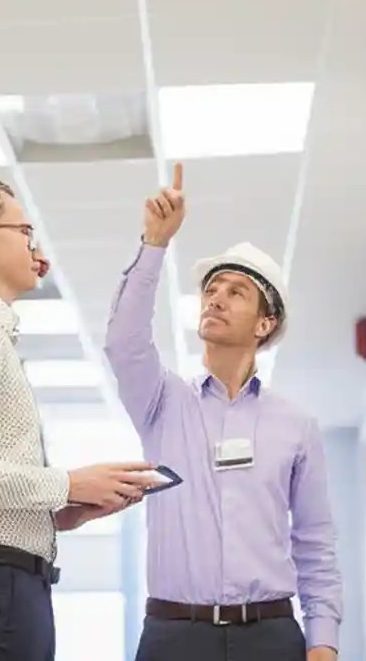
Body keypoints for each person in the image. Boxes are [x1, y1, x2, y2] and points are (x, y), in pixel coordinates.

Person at [0, 175, 153, 661]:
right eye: (24, 232)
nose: (34, 247)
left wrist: (59, 512)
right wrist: (69, 484)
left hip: (0, 588)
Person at [104, 164, 343, 661]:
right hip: (175, 634)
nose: (215, 297)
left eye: (236, 291)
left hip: (270, 634)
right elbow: (124, 343)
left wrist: (323, 640)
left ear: (266, 322)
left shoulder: (295, 425)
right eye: (211, 290)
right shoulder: (162, 403)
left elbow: (315, 539)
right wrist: (155, 243)